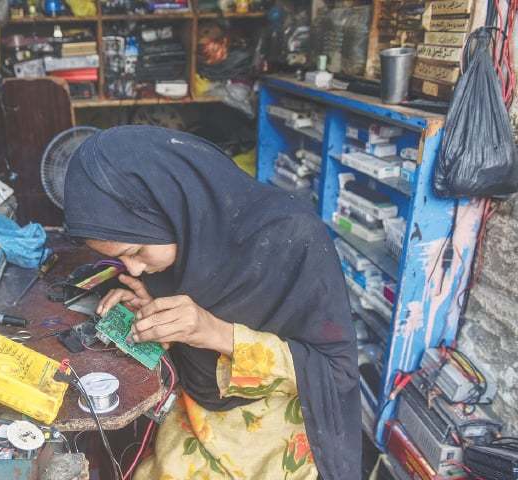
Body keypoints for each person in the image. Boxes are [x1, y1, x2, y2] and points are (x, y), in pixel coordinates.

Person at [63, 126, 361, 480]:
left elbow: (337, 374)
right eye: (122, 259)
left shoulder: (293, 239)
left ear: (170, 205)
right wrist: (154, 310)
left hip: (276, 437)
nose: (134, 269)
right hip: (194, 414)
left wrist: (213, 331)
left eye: (136, 251)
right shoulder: (183, 240)